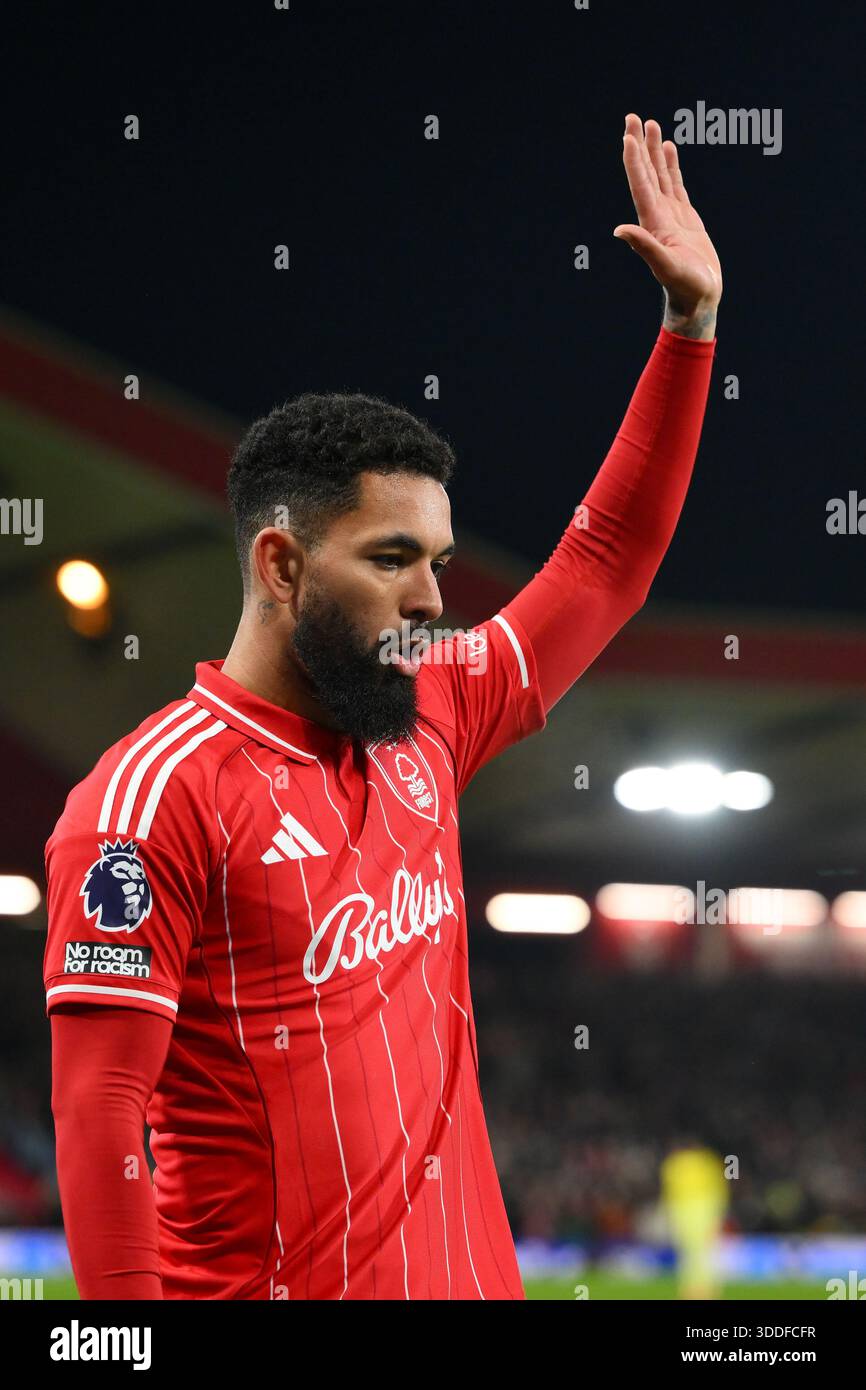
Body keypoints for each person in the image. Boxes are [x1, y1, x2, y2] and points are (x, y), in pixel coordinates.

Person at [44, 114, 722, 1299]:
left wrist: (686, 329)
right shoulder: (146, 801)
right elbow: (101, 1114)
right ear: (280, 565)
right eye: (393, 558)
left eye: (441, 562)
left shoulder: (430, 711)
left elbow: (605, 560)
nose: (431, 598)